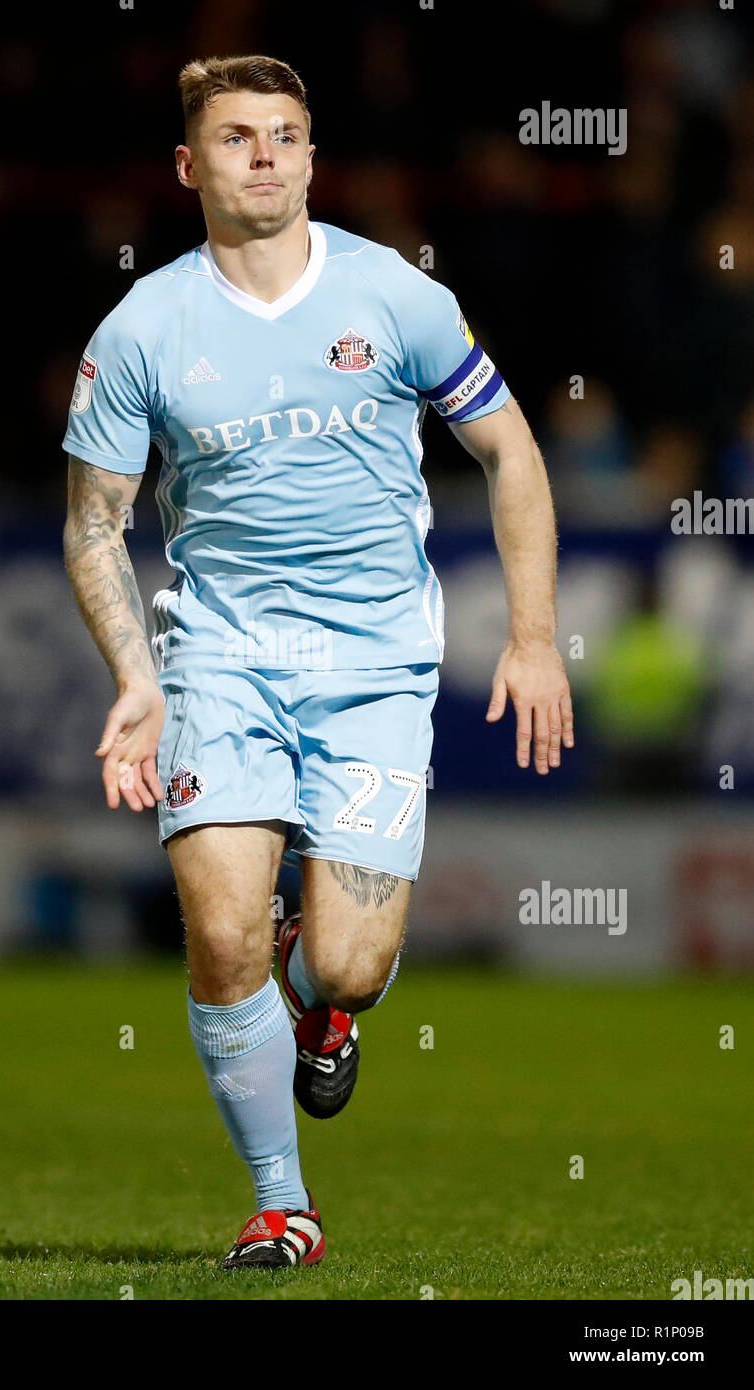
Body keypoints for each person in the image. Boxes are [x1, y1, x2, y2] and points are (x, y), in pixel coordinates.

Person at [62, 54, 573, 1269]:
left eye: (286, 135)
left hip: (376, 661)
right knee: (223, 929)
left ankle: (326, 1004)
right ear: (190, 167)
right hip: (222, 658)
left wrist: (537, 637)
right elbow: (95, 525)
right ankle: (281, 1202)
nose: (266, 156)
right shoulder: (143, 329)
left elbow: (511, 453)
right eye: (238, 137)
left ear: (309, 154)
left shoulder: (391, 294)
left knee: (347, 956)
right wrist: (136, 677)